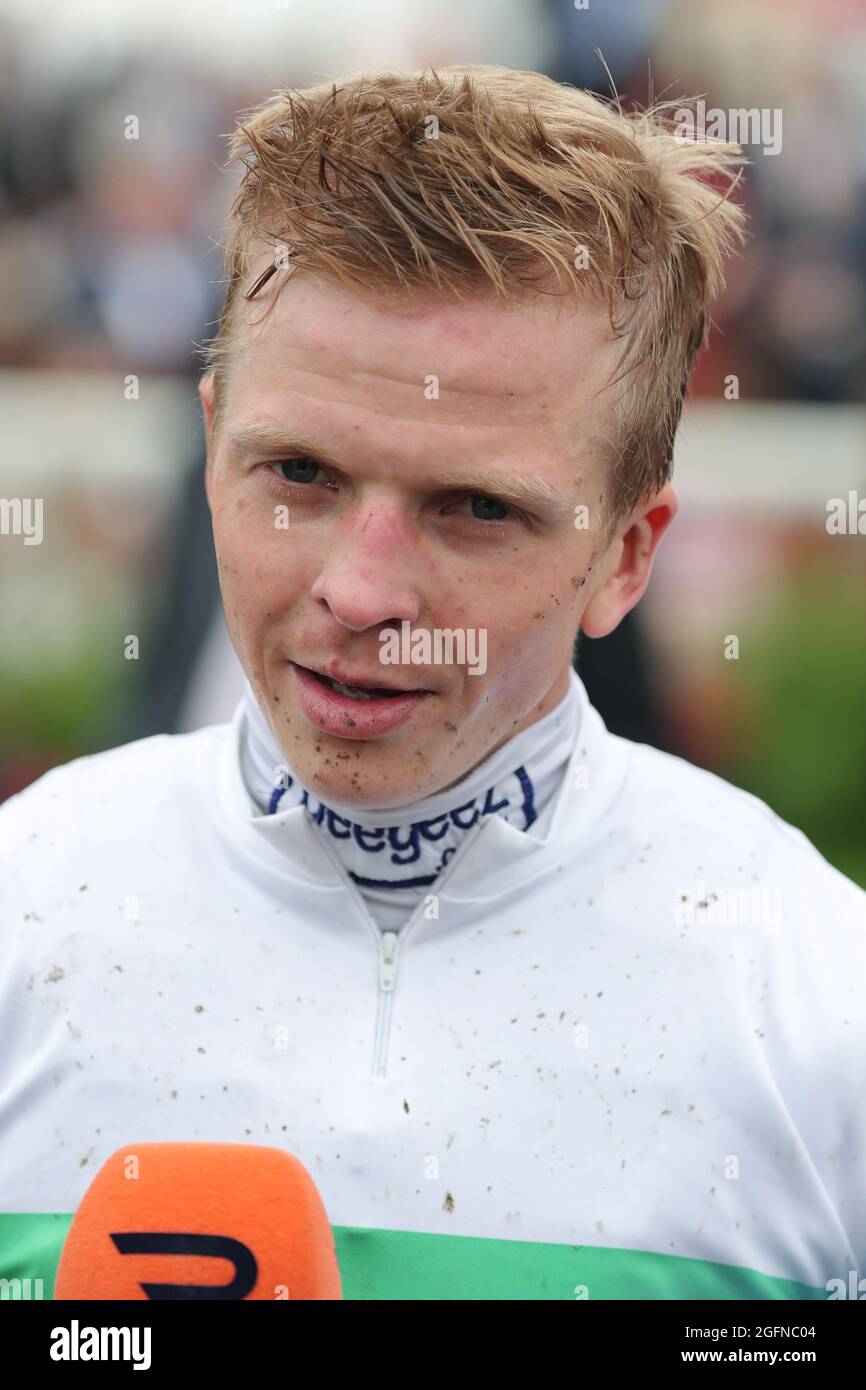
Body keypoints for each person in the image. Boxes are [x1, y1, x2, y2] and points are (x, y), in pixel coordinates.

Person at [1, 65, 863, 1301]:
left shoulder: (816, 998)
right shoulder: (24, 912)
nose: (360, 593)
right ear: (208, 456)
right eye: (297, 472)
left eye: (472, 508)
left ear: (625, 555)